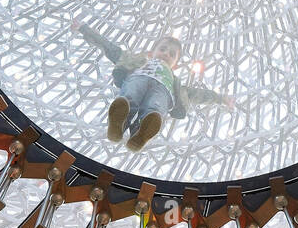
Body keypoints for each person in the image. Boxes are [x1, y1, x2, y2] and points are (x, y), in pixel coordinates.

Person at [71, 20, 235, 151]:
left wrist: (220, 98)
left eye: (172, 54)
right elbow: (111, 49)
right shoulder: (138, 61)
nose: (166, 54)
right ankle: (120, 121)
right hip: (138, 77)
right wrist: (85, 29)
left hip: (164, 91)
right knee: (131, 94)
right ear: (152, 52)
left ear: (175, 65)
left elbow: (198, 94)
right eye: (163, 49)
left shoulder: (175, 82)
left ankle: (141, 132)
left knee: (155, 107)